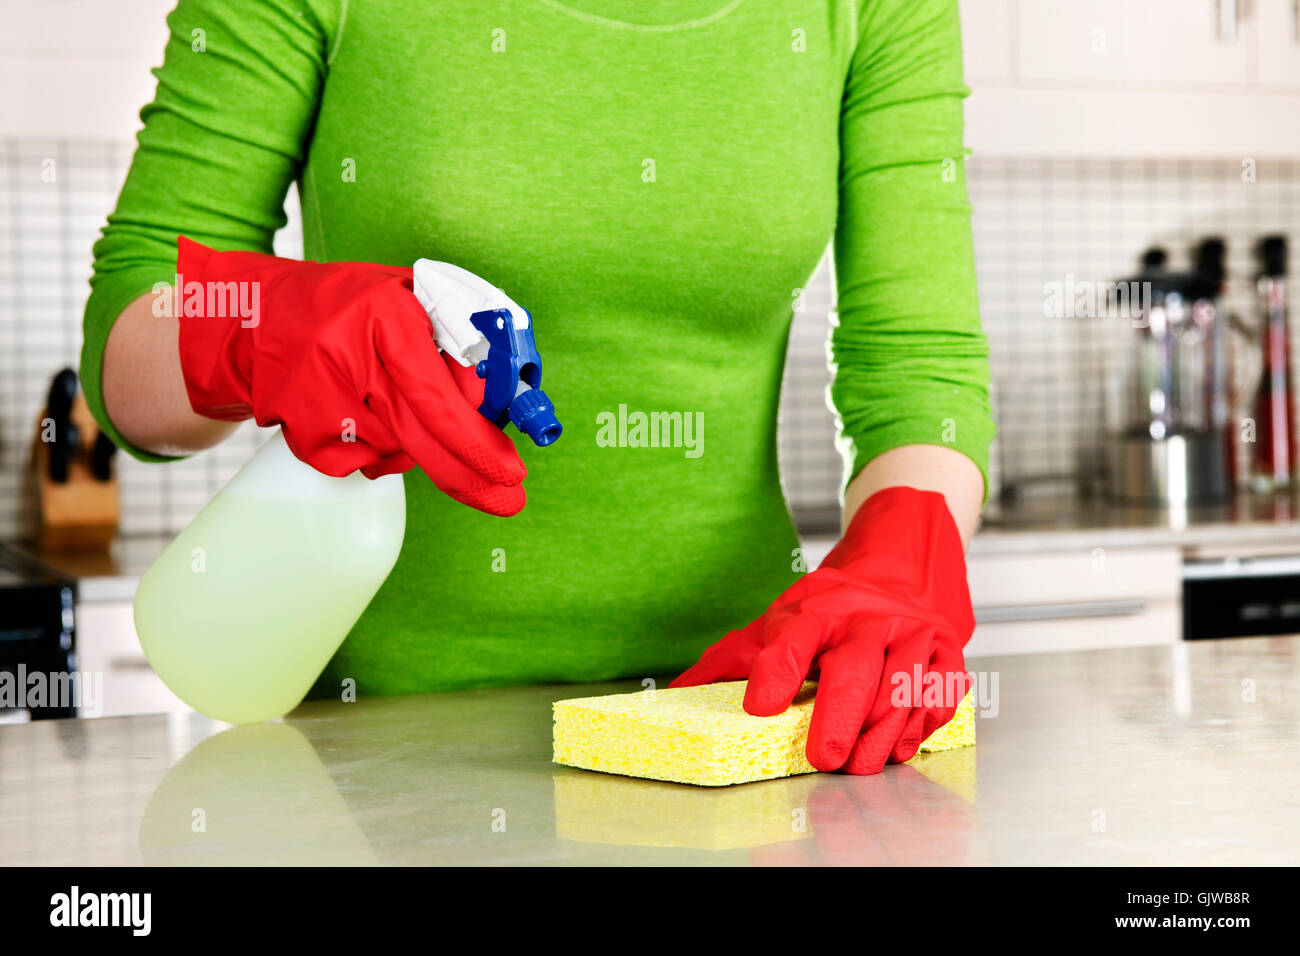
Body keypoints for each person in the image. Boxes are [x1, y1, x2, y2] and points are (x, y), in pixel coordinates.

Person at [84, 0, 994, 775]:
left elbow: (920, 363)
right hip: (375, 742)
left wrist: (905, 540)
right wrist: (256, 328)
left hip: (736, 723)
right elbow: (130, 349)